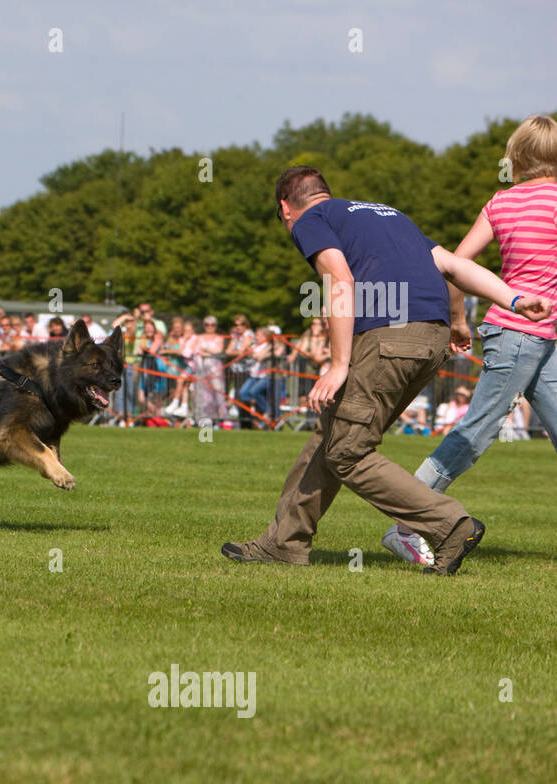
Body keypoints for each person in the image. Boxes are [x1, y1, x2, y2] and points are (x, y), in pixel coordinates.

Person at [222, 165, 551, 575]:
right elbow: (452, 266)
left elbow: (340, 282)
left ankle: (450, 526)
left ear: (285, 207)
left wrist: (339, 364)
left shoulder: (311, 219)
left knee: (347, 451)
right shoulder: (388, 215)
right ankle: (285, 542)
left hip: (389, 338)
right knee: (334, 432)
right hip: (430, 337)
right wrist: (514, 298)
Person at [383, 115, 557, 565]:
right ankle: (406, 526)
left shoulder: (499, 203)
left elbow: (455, 266)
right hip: (522, 335)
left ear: (516, 157)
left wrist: (458, 320)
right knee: (476, 431)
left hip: (518, 333)